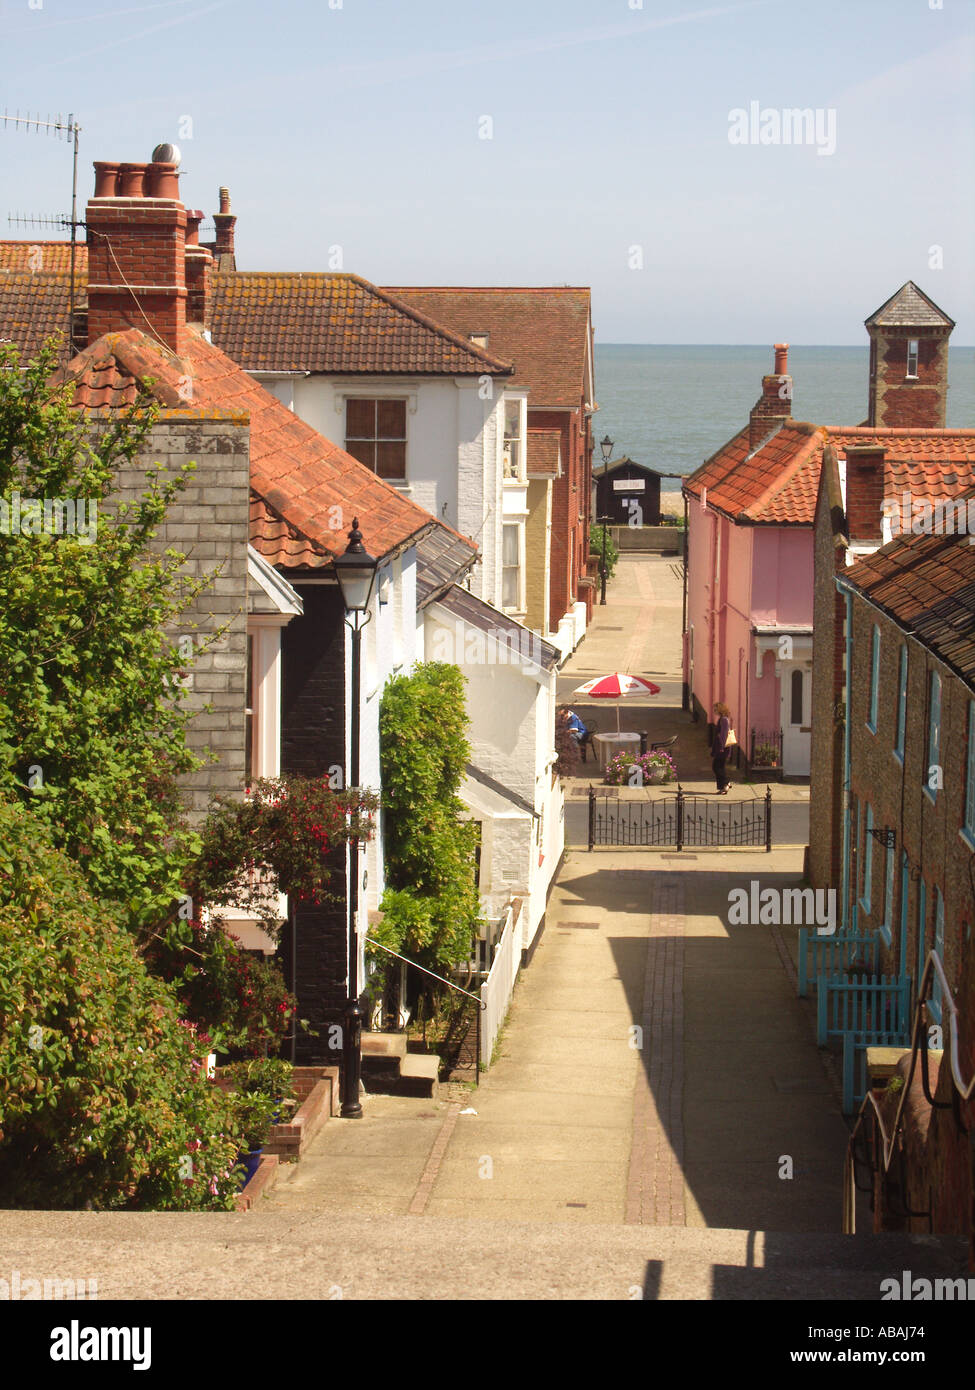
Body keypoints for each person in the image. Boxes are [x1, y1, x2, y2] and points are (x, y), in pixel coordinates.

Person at [711, 702, 732, 794]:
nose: (714, 711)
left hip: (722, 748)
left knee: (716, 766)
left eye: (715, 709)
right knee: (720, 767)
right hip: (721, 747)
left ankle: (726, 783)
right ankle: (723, 787)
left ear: (720, 709)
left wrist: (721, 747)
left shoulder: (723, 720)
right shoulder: (722, 719)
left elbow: (724, 734)